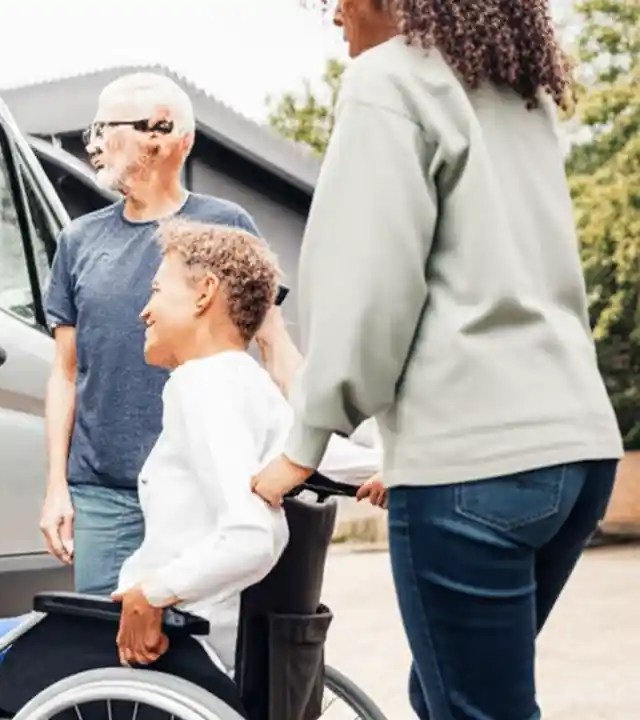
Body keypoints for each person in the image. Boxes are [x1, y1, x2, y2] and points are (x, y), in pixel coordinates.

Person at [248, 1, 623, 717]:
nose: (335, 18)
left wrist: (306, 438)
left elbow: (369, 288)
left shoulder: (387, 81)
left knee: (468, 704)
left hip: (473, 464)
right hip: (577, 452)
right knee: (450, 691)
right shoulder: (520, 89)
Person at [0, 220, 383, 720]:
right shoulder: (253, 387)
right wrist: (391, 469)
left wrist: (151, 594)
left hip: (171, 648)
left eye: (157, 290)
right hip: (228, 653)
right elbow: (336, 459)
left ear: (204, 293)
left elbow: (252, 535)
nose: (145, 309)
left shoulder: (201, 386)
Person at [41, 72, 282, 596]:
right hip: (103, 494)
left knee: (198, 648)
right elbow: (65, 372)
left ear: (163, 132)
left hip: (203, 489)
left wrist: (305, 448)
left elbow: (275, 345)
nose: (95, 144)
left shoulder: (226, 225)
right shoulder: (78, 241)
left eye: (105, 128)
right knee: (100, 650)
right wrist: (56, 487)